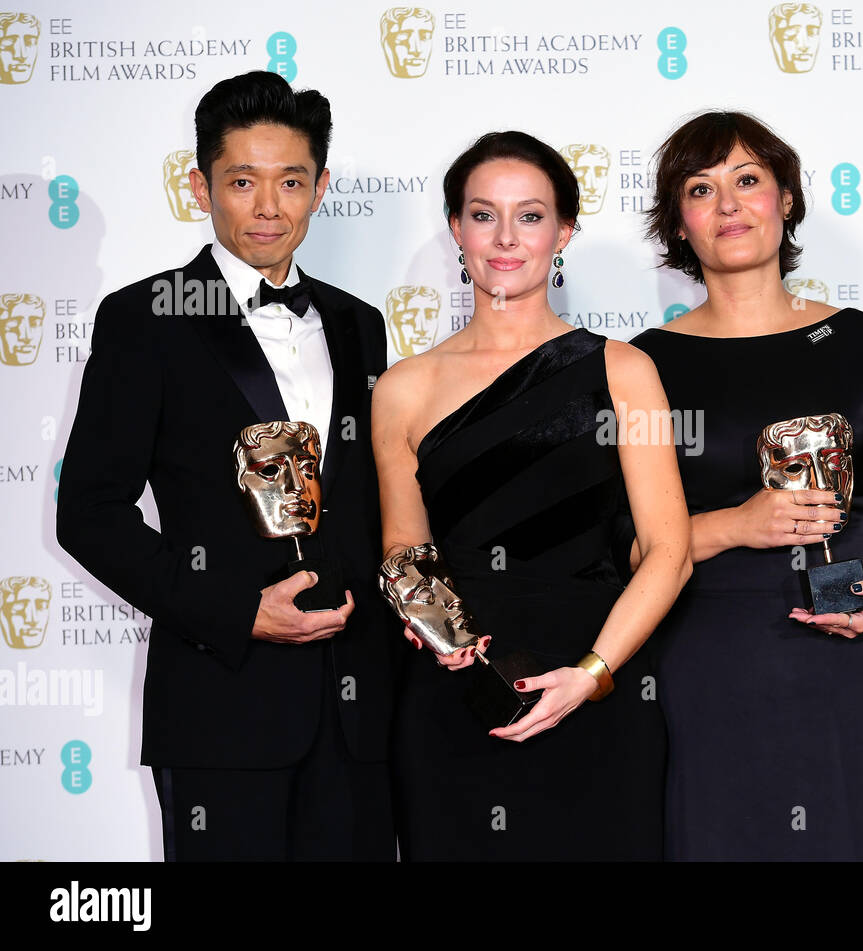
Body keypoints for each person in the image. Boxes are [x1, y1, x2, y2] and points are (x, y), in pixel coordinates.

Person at [56, 70, 398, 861]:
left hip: (357, 714)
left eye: (291, 181)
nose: (269, 207)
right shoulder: (146, 317)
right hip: (222, 700)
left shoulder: (358, 323)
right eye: (243, 181)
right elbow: (90, 511)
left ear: (318, 189)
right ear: (200, 184)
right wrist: (236, 611)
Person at [625, 111, 863, 860]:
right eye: (701, 189)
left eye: (748, 180)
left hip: (857, 653)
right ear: (678, 225)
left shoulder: (862, 342)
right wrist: (734, 525)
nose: (729, 205)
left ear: (786, 199)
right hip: (709, 662)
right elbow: (615, 543)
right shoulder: (640, 364)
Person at [372, 130, 691, 860]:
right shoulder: (402, 387)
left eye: (531, 215)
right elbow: (403, 548)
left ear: (564, 231)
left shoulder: (623, 369)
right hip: (458, 694)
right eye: (484, 215)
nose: (506, 238)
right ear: (456, 229)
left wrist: (592, 674)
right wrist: (430, 624)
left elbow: (670, 552)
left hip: (598, 689)